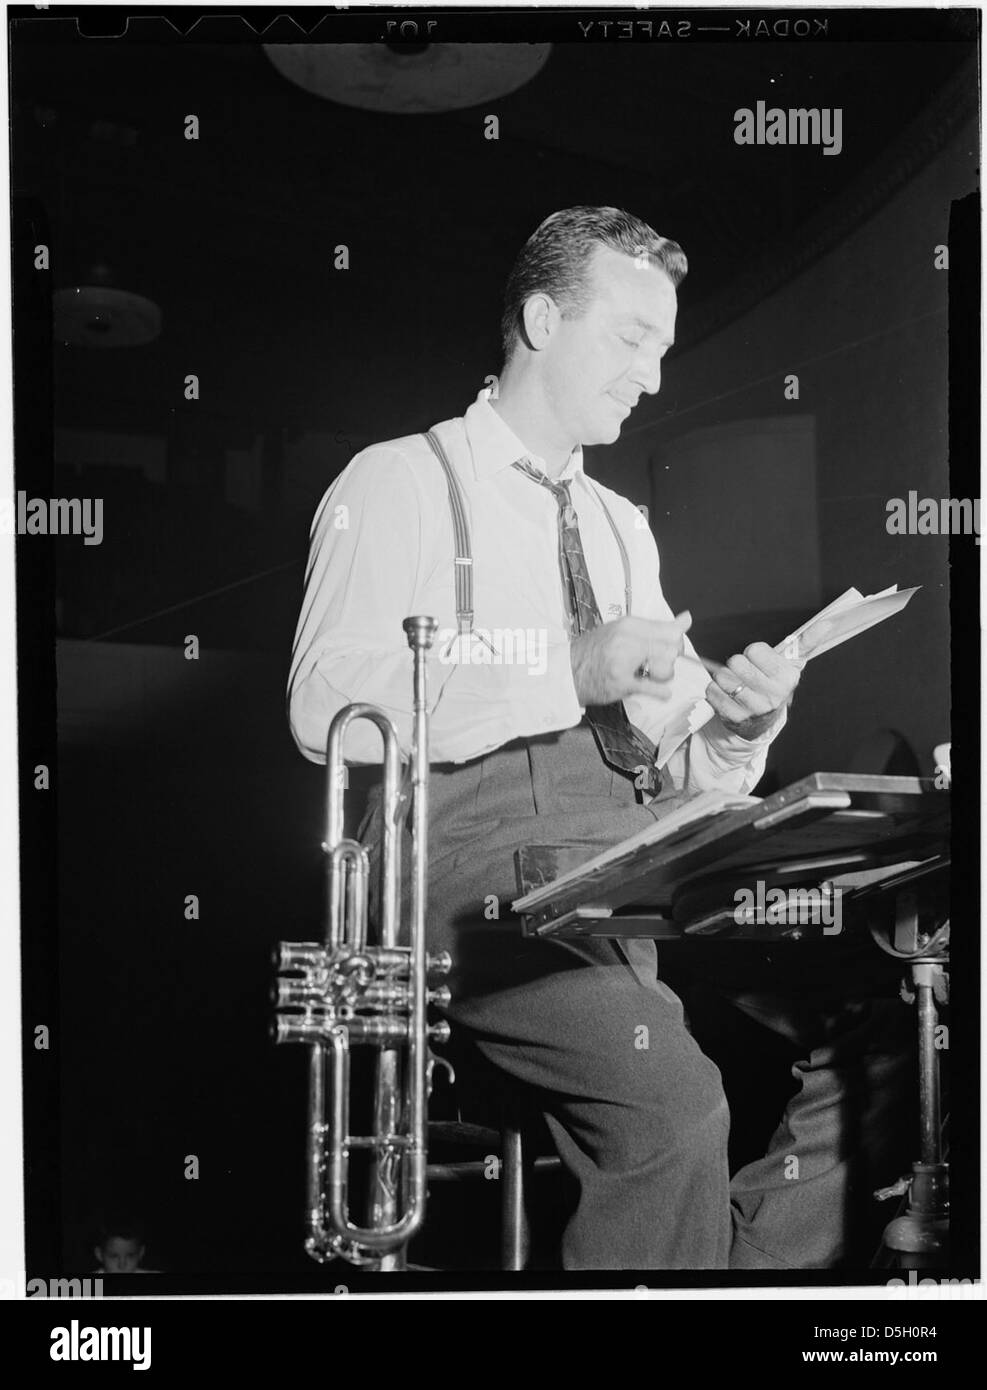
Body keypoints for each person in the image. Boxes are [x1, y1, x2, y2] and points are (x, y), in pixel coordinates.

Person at [288, 206, 912, 1270]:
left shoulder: (625, 525)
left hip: (638, 859)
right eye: (632, 340)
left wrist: (737, 724)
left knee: (905, 999)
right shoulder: (395, 481)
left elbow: (670, 756)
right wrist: (563, 668)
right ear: (541, 318)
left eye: (665, 349)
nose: (656, 377)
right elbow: (321, 703)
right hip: (477, 877)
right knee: (674, 1105)